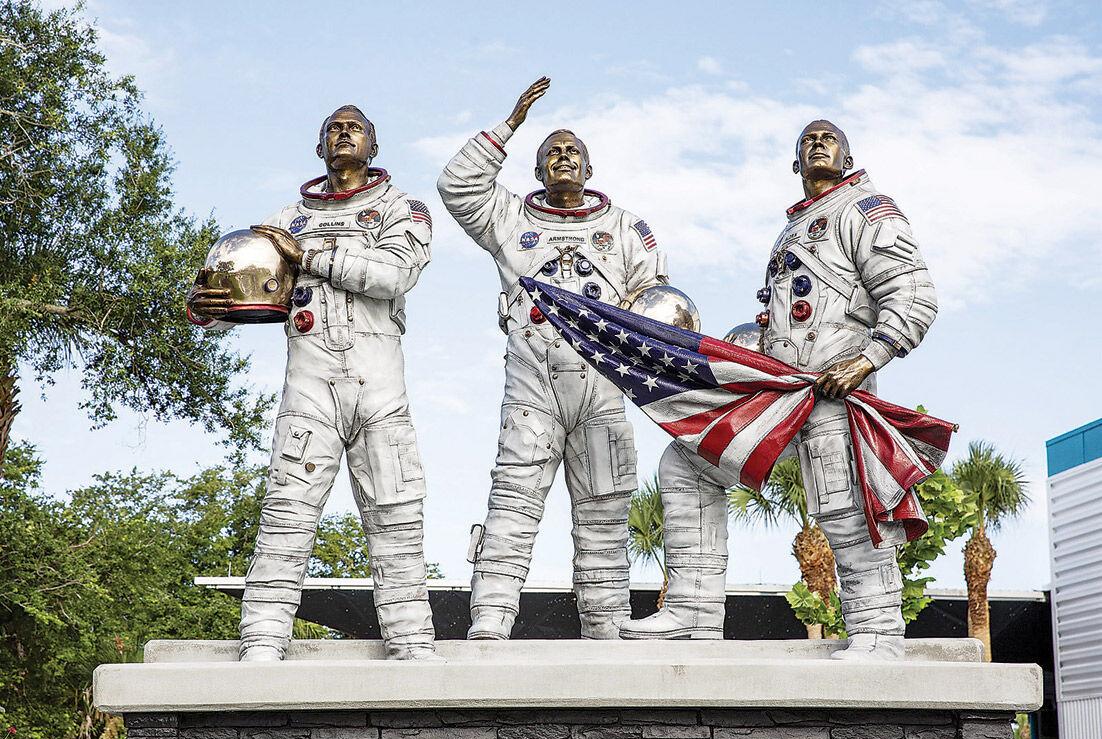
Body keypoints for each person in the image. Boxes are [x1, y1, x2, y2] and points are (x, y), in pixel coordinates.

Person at [618, 120, 938, 660]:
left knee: (845, 508)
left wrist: (866, 359)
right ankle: (692, 611)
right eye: (807, 140)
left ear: (848, 155)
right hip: (782, 395)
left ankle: (878, 634)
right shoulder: (792, 231)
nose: (817, 143)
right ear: (794, 165)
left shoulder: (865, 209)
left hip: (836, 393)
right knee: (687, 460)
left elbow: (914, 296)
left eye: (828, 138)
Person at [187, 105, 438, 661]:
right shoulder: (285, 221)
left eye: (355, 127)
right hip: (310, 384)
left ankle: (412, 643)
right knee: (286, 513)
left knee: (397, 516)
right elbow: (254, 294)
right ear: (318, 145)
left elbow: (394, 275)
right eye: (332, 127)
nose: (343, 133)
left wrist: (311, 256)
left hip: (379, 387)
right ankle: (262, 639)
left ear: (374, 146)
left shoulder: (403, 209)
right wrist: (207, 309)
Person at [437, 77, 668, 640]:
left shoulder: (626, 229)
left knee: (605, 521)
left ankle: (608, 635)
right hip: (533, 389)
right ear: (537, 170)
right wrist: (509, 124)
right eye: (551, 153)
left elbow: (659, 303)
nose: (563, 158)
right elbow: (457, 186)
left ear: (589, 169)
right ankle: (489, 628)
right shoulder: (511, 220)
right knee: (512, 509)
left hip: (603, 391)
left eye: (573, 152)